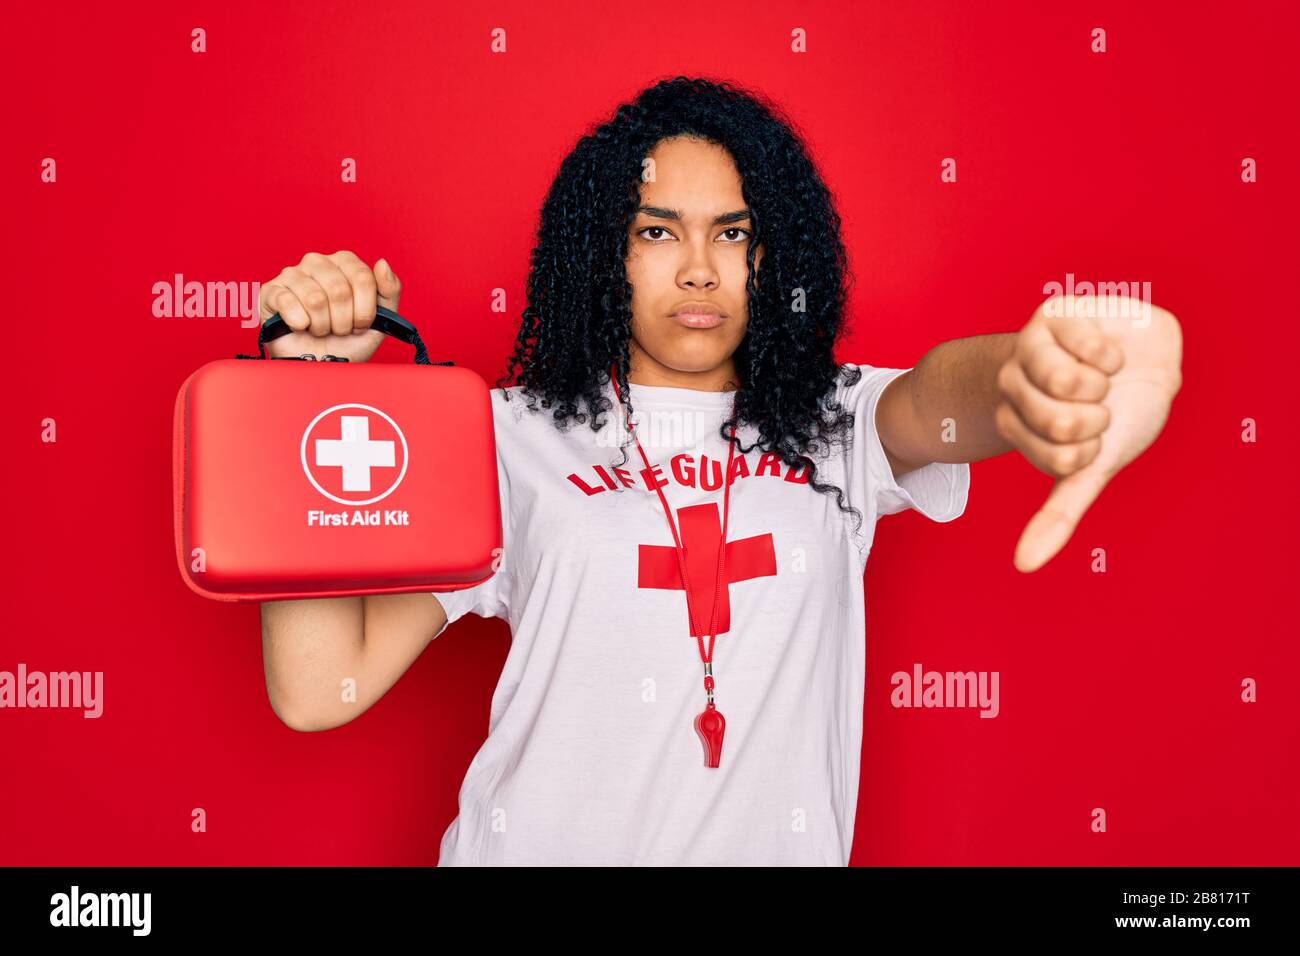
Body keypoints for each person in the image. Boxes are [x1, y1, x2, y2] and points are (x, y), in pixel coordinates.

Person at [258, 76, 1183, 865]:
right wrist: (308, 384)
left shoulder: (833, 421)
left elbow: (942, 398)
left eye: (732, 235)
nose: (698, 271)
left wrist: (1031, 367)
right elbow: (316, 686)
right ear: (605, 256)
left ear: (771, 257)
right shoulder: (508, 436)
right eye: (658, 233)